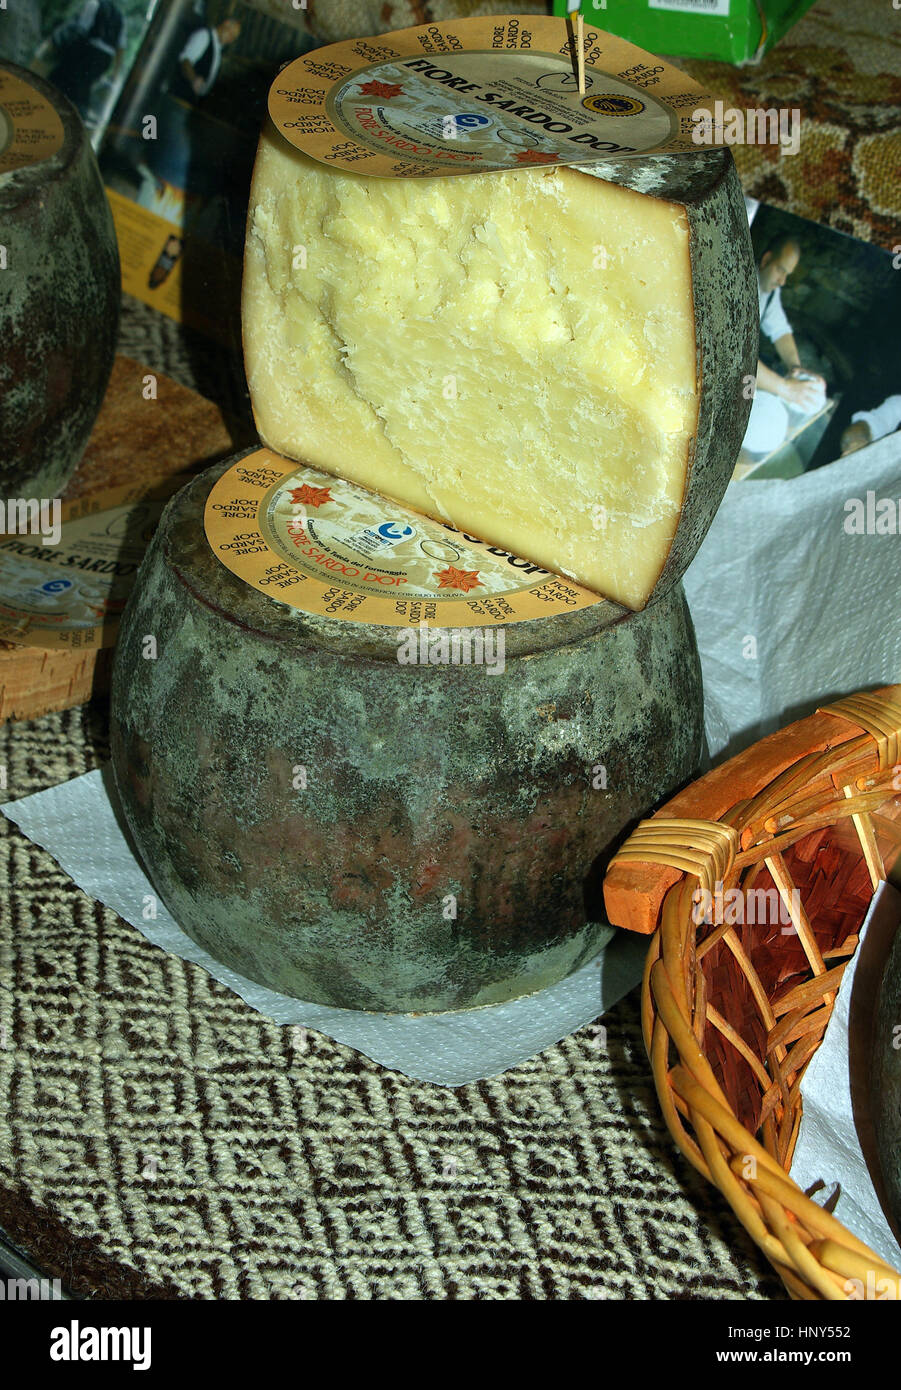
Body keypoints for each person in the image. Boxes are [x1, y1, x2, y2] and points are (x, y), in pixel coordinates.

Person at [740, 236, 828, 460]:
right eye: (781, 271)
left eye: (787, 275)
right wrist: (786, 388)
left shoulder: (769, 291)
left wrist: (795, 368)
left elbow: (780, 330)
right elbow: (736, 358)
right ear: (766, 260)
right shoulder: (738, 283)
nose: (782, 281)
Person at [37, 1, 126, 119]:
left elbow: (79, 30)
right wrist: (114, 73)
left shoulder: (93, 4)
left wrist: (55, 46)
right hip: (102, 62)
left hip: (85, 55)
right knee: (81, 93)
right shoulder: (120, 17)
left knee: (57, 84)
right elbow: (120, 48)